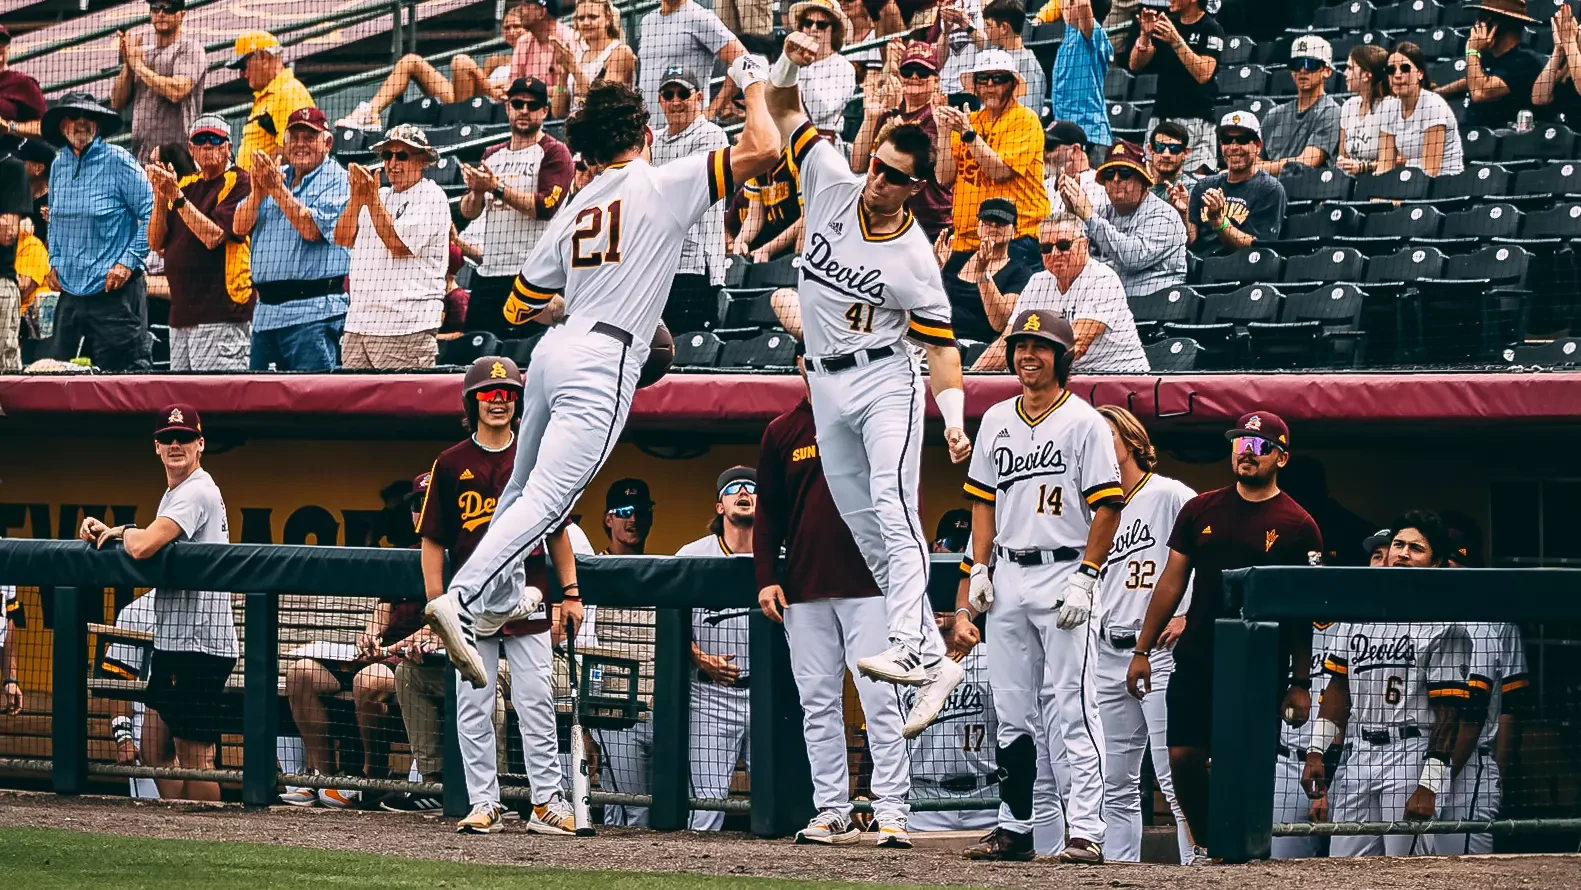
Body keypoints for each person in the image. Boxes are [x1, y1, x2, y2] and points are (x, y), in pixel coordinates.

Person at [423, 69, 778, 688]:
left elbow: (516, 307)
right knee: (549, 498)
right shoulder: (663, 182)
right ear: (646, 132)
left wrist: (573, 302)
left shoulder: (576, 203)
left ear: (584, 147)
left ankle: (500, 588)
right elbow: (765, 149)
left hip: (554, 351)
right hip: (606, 357)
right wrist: (752, 83)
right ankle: (464, 594)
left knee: (518, 488)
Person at [766, 33, 973, 741]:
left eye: (893, 176)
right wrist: (791, 59)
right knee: (865, 527)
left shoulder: (915, 257)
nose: (878, 181)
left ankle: (914, 646)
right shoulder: (830, 180)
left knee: (892, 503)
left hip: (887, 377)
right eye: (878, 166)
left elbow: (942, 349)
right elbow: (781, 102)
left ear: (917, 186)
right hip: (824, 383)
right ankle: (937, 656)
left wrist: (952, 416)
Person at [954, 309, 1122, 864]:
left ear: (1062, 357)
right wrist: (979, 567)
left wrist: (1087, 576)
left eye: (1040, 347)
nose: (1028, 355)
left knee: (1075, 706)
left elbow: (1107, 508)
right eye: (1021, 345)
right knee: (1010, 709)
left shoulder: (1085, 423)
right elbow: (982, 499)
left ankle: (1087, 832)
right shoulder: (998, 417)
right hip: (1008, 572)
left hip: (1064, 569)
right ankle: (1014, 828)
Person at [1126, 411, 1323, 862]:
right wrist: (1141, 648)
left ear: (1281, 457)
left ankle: (1243, 852)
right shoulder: (1200, 508)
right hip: (1197, 655)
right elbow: (1171, 582)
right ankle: (1214, 840)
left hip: (1260, 662)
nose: (1246, 453)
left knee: (1247, 762)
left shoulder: (1298, 524)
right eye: (1239, 443)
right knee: (1181, 758)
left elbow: (1303, 614)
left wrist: (1300, 681)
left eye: (1259, 446)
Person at [418, 356, 585, 835]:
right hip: (470, 604)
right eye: (489, 394)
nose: (499, 400)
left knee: (535, 701)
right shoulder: (450, 463)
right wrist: (436, 605)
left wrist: (570, 594)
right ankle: (484, 802)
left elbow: (557, 534)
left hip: (528, 595)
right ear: (473, 401)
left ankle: (547, 802)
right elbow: (432, 540)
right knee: (475, 705)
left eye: (508, 392)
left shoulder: (535, 457)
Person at [754, 352, 912, 847]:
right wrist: (766, 577)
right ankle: (832, 809)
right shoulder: (781, 430)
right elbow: (768, 516)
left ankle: (892, 808)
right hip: (803, 590)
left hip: (871, 585)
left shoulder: (867, 419)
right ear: (800, 365)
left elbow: (903, 496)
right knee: (816, 704)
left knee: (880, 699)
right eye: (810, 361)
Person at [79, 405, 237, 802]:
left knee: (195, 756)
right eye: (167, 438)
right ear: (156, 447)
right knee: (156, 749)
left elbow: (147, 544)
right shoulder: (177, 492)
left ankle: (206, 839)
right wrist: (113, 531)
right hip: (178, 640)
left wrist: (126, 531)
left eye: (183, 438)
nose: (175, 445)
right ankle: (175, 825)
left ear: (200, 444)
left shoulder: (197, 488)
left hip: (201, 643)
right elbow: (150, 537)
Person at [1302, 511, 1473, 858]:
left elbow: (1448, 717)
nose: (1403, 554)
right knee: (1343, 868)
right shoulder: (1358, 614)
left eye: (1416, 548)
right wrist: (1316, 751)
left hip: (1411, 751)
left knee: (1406, 873)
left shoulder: (1444, 625)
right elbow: (1337, 693)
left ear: (1436, 562)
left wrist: (1430, 785)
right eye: (1398, 545)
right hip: (1359, 753)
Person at [1091, 404, 1193, 864]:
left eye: (1106, 436)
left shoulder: (1169, 493)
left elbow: (1202, 555)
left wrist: (1189, 613)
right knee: (1113, 778)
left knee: (1171, 772)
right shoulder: (1090, 506)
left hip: (1160, 651)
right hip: (1105, 650)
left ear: (1133, 442)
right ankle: (1119, 869)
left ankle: (1199, 861)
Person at [277, 563, 429, 808]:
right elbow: (381, 613)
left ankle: (373, 779)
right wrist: (371, 638)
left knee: (369, 680)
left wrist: (387, 650)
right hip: (374, 656)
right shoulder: (406, 558)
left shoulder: (449, 561)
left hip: (413, 661)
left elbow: (435, 627)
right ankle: (325, 778)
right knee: (300, 673)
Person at [934, 50, 1049, 343]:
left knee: (1005, 326)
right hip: (967, 239)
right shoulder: (968, 120)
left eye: (998, 79)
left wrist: (969, 135)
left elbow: (999, 171)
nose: (989, 86)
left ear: (1011, 84)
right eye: (982, 79)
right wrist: (944, 131)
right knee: (952, 320)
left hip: (1016, 239)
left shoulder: (1025, 121)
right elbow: (944, 177)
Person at [44, 93, 154, 372]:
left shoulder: (119, 161)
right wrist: (54, 261)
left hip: (113, 294)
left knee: (125, 379)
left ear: (98, 125)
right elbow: (55, 218)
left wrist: (127, 263)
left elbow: (152, 212)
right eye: (74, 117)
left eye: (89, 117)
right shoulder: (58, 165)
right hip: (70, 293)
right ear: (61, 126)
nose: (82, 123)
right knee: (58, 376)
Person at [234, 108, 351, 371]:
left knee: (313, 405)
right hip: (266, 317)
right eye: (294, 137)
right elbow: (239, 226)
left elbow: (310, 229)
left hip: (314, 316)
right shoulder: (276, 174)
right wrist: (258, 194)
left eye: (309, 138)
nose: (300, 145)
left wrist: (276, 189)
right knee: (262, 406)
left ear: (327, 142)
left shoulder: (338, 179)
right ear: (285, 143)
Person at [459, 78, 574, 340]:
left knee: (527, 357)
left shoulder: (555, 152)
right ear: (508, 108)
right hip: (490, 273)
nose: (524, 110)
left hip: (533, 276)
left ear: (545, 111)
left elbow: (546, 206)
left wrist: (496, 187)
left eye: (532, 105)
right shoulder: (492, 154)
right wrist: (477, 191)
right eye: (518, 103)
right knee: (475, 357)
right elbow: (469, 211)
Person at [676, 466, 758, 832]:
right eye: (734, 489)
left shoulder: (782, 556)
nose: (744, 492)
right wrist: (698, 657)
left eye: (753, 488)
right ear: (720, 506)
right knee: (707, 806)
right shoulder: (693, 555)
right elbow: (665, 624)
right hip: (710, 696)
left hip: (766, 699)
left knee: (782, 801)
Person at [334, 124, 451, 370]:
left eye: (402, 155)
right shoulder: (380, 195)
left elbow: (398, 244)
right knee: (353, 408)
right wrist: (357, 198)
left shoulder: (431, 196)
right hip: (359, 326)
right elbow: (342, 237)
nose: (393, 163)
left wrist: (371, 199)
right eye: (388, 155)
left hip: (405, 327)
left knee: (403, 408)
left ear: (422, 160)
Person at [146, 114, 253, 371]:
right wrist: (161, 197)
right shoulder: (187, 184)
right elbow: (155, 241)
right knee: (182, 399)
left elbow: (213, 237)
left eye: (215, 140)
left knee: (215, 399)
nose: (207, 145)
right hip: (182, 313)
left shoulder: (239, 181)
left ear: (228, 147)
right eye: (200, 140)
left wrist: (177, 198)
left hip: (219, 313)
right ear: (191, 149)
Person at [591, 478, 659, 827]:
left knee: (656, 807)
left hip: (663, 712)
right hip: (614, 714)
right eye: (624, 513)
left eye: (641, 512)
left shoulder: (662, 571)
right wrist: (586, 726)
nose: (632, 520)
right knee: (634, 809)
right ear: (608, 519)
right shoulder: (588, 571)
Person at [339, 7, 528, 131]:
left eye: (516, 26)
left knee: (461, 61)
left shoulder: (532, 56)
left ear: (527, 28)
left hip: (488, 109)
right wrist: (493, 86)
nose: (511, 31)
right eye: (507, 27)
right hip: (465, 99)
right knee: (410, 61)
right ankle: (370, 112)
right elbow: (475, 87)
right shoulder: (496, 60)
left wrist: (505, 87)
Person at [1011, 214, 1149, 373]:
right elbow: (1005, 342)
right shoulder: (1037, 282)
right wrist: (975, 379)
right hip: (1066, 380)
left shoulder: (1103, 279)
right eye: (1046, 248)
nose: (1055, 253)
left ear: (1084, 244)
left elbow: (1076, 342)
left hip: (1122, 381)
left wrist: (1032, 366)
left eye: (1064, 245)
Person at [650, 68, 730, 337]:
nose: (675, 101)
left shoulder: (710, 134)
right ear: (660, 100)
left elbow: (687, 188)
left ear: (698, 98)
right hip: (660, 266)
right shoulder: (655, 142)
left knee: (688, 346)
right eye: (668, 94)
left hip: (697, 265)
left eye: (683, 94)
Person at [848, 41, 953, 241]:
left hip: (928, 227)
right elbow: (857, 164)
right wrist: (870, 117)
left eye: (922, 72)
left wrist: (894, 112)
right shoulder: (884, 110)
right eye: (907, 71)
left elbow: (942, 176)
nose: (914, 77)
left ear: (936, 81)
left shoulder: (939, 118)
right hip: (883, 221)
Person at [1065, 141, 1186, 297]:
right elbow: (1071, 255)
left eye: (1124, 173)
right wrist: (1071, 215)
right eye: (1109, 174)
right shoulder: (1101, 212)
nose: (1116, 179)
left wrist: (1089, 216)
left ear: (1143, 181)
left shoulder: (1165, 216)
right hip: (1107, 302)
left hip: (1156, 306)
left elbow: (1133, 258)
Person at [940, 197, 1037, 372]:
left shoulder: (1020, 273)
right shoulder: (955, 259)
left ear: (1014, 231)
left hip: (981, 350)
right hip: (942, 342)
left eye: (1001, 223)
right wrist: (935, 271)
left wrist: (983, 276)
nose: (993, 227)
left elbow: (1000, 323)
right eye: (987, 222)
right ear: (978, 227)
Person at [1131, 0, 1224, 174]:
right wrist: (1145, 35)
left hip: (1196, 121)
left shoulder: (1210, 28)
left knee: (1194, 188)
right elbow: (1135, 65)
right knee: (1153, 185)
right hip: (1161, 119)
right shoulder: (1168, 24)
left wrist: (1176, 41)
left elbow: (1204, 73)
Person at [111, 0, 205, 162]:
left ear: (182, 14)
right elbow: (117, 102)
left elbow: (177, 91)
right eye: (155, 8)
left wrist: (138, 66)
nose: (161, 13)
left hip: (178, 157)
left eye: (168, 8)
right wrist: (128, 65)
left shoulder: (190, 49)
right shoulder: (142, 55)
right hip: (142, 155)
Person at [1185, 112, 1288, 253]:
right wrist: (1183, 211)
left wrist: (1219, 222)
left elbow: (1260, 247)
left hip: (1241, 270)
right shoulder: (1204, 186)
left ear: (1258, 146)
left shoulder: (1270, 189)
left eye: (1242, 139)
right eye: (1227, 140)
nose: (1233, 147)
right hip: (1200, 267)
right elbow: (1192, 241)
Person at [1439, 0, 1545, 131]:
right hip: (1471, 135)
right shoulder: (1489, 56)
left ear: (1496, 26)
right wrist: (1440, 93)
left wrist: (1472, 50)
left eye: (1482, 20)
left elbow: (1480, 92)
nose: (1475, 26)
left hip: (1502, 141)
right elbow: (1474, 80)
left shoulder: (1526, 62)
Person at [636, 0, 747, 126]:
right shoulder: (647, 22)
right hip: (650, 131)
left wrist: (711, 111)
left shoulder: (700, 17)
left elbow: (743, 61)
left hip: (690, 132)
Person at [1255, 35, 1341, 175]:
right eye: (1297, 64)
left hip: (1305, 190)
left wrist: (1257, 169)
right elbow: (1254, 161)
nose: (1302, 70)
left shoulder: (1331, 112)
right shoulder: (1273, 115)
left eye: (1310, 64)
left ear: (1327, 71)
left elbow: (1305, 163)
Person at [231, 31, 316, 173]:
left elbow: (292, 148)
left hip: (275, 186)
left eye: (243, 66)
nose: (242, 74)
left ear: (263, 57)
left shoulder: (289, 92)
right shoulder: (269, 93)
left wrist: (255, 176)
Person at [1377, 43, 1466, 178]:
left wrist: (1397, 198)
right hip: (1409, 183)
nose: (1397, 75)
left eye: (1405, 68)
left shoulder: (1433, 105)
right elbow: (1385, 166)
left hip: (1444, 185)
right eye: (1391, 70)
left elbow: (1430, 171)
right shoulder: (1389, 109)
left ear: (1420, 73)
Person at [551, 0, 637, 119]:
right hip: (576, 132)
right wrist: (563, 75)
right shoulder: (577, 56)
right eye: (581, 18)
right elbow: (558, 112)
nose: (586, 22)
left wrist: (574, 68)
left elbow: (604, 104)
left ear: (608, 19)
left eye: (592, 17)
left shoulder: (620, 52)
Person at [787, 0, 859, 136]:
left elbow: (819, 110)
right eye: (808, 23)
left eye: (821, 25)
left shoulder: (844, 68)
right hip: (789, 142)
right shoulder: (791, 62)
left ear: (834, 31)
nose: (813, 29)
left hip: (824, 143)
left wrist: (805, 65)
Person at [1047, 0, 1111, 153]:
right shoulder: (1068, 38)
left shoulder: (1095, 35)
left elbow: (1083, 4)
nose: (1066, 6)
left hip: (1092, 138)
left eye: (1071, 2)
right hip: (1065, 137)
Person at [729, 148, 805, 264]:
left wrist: (768, 249)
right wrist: (741, 240)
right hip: (775, 234)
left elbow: (806, 218)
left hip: (803, 236)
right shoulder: (757, 165)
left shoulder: (795, 158)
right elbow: (755, 216)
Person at [1336, 45, 1390, 177]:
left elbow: (1398, 160)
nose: (1345, 73)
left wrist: (1363, 167)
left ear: (1367, 75)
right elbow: (1342, 156)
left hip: (1379, 180)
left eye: (1350, 68)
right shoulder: (1348, 107)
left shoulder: (1389, 107)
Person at [511, 0, 585, 88]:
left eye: (526, 5)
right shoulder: (522, 42)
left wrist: (530, 89)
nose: (519, 9)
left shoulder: (571, 38)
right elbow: (513, 84)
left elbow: (570, 88)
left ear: (542, 12)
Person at [1044, 121, 1108, 218]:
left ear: (1074, 150)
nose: (1044, 153)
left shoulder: (1098, 187)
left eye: (1049, 147)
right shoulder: (1044, 185)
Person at [0, 26, 44, 140]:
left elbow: (43, 127)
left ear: (8, 49)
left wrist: (10, 127)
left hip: (9, 150)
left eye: (1, 50)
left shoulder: (22, 83)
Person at [1145, 121, 1195, 216]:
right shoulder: (1141, 188)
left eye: (1174, 148)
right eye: (1160, 147)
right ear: (1150, 150)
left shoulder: (1192, 189)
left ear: (1185, 153)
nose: (1166, 154)